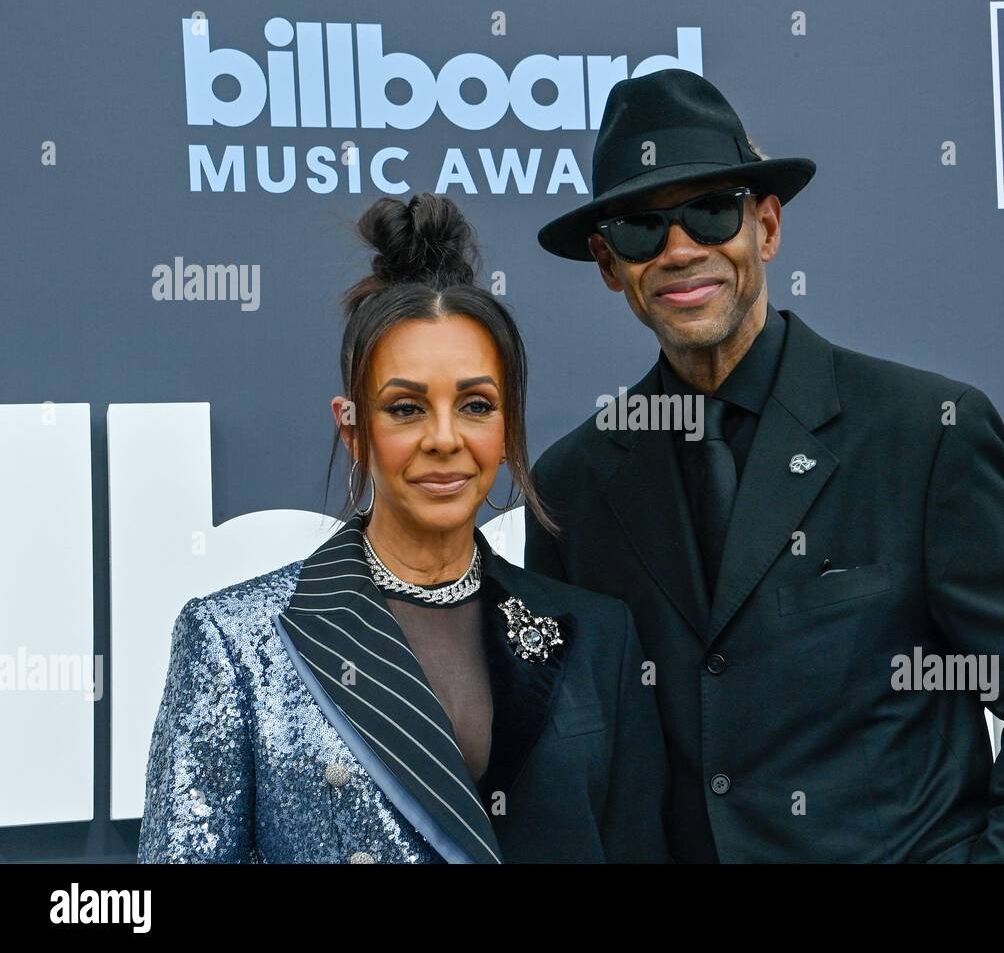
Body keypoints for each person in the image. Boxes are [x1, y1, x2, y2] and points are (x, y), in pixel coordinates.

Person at [525, 68, 1004, 863]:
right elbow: (580, 757)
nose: (680, 250)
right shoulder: (575, 485)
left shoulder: (923, 433)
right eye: (640, 228)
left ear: (765, 227)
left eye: (710, 212)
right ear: (607, 263)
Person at [138, 192, 671, 864]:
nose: (444, 439)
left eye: (475, 405)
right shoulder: (235, 642)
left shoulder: (599, 637)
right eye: (406, 408)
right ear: (352, 428)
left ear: (507, 426)